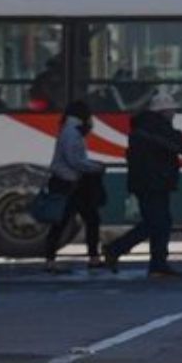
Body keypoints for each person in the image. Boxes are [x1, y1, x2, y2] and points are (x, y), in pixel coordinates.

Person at [102, 92, 182, 279]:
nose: (174, 114)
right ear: (164, 111)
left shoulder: (142, 126)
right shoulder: (159, 128)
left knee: (159, 222)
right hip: (155, 182)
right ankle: (116, 249)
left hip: (145, 182)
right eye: (172, 110)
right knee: (157, 223)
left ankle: (157, 264)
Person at [43, 101, 106, 272]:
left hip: (72, 183)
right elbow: (75, 160)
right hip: (70, 184)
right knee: (71, 221)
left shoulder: (70, 130)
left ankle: (90, 257)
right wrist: (96, 167)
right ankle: (90, 257)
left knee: (73, 221)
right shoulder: (72, 132)